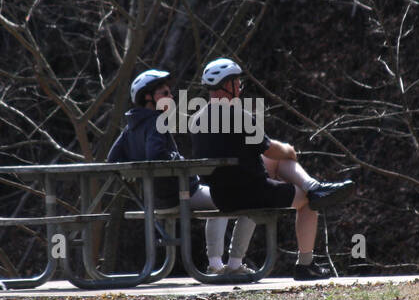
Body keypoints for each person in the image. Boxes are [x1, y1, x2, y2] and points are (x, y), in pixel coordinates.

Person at [190, 58, 355, 280]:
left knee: (282, 167)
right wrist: (289, 149)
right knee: (309, 201)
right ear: (226, 85)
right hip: (253, 193)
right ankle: (306, 265)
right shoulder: (238, 115)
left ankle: (314, 185)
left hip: (221, 196)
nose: (239, 88)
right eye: (237, 83)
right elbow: (270, 149)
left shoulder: (197, 120)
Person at [107, 68, 256, 275]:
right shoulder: (156, 121)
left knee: (222, 200)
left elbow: (112, 159)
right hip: (180, 194)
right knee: (246, 201)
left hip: (154, 200)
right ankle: (231, 265)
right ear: (148, 97)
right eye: (165, 93)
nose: (171, 96)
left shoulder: (131, 127)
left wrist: (137, 169)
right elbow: (156, 154)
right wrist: (179, 160)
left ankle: (216, 264)